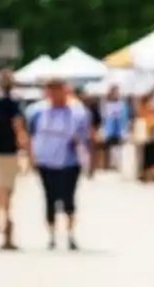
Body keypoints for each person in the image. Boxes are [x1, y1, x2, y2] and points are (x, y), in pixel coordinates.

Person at [28, 77, 91, 251]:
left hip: (69, 161)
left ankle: (70, 234)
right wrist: (30, 157)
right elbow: (30, 135)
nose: (55, 94)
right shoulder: (36, 111)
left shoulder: (78, 112)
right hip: (45, 160)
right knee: (49, 198)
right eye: (51, 90)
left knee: (69, 198)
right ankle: (52, 235)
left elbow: (86, 137)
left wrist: (88, 159)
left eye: (58, 89)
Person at [0, 68, 27, 249]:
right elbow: (18, 126)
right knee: (8, 191)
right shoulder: (14, 103)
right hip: (9, 150)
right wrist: (25, 148)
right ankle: (6, 227)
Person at [101, 85, 128, 171]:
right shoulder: (107, 104)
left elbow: (124, 118)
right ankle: (112, 165)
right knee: (111, 148)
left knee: (118, 147)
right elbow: (105, 118)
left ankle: (118, 165)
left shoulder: (121, 104)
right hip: (109, 130)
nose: (116, 94)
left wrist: (124, 130)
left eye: (117, 92)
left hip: (118, 130)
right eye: (115, 92)